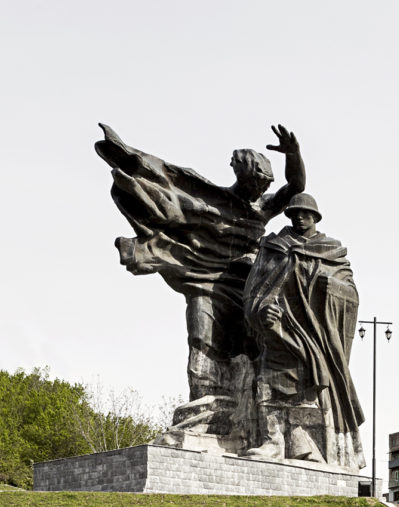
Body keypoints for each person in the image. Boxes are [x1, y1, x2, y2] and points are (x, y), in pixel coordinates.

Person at [95, 124, 306, 436]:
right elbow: (166, 187)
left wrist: (294, 154)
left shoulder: (263, 208)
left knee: (252, 350)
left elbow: (296, 185)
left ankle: (249, 421)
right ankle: (204, 410)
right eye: (256, 184)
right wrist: (131, 164)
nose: (261, 191)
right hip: (203, 279)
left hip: (246, 288)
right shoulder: (211, 203)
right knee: (201, 340)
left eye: (264, 185)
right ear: (243, 177)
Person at [242, 194, 365, 468]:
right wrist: (262, 310)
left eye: (305, 213)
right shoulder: (274, 247)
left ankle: (304, 444)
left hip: (315, 335)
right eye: (294, 212)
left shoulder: (331, 251)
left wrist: (331, 287)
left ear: (316, 217)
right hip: (279, 328)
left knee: (307, 389)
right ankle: (272, 442)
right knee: (267, 381)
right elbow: (253, 290)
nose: (299, 217)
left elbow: (352, 296)